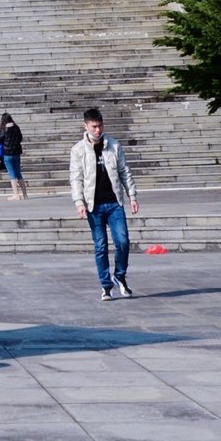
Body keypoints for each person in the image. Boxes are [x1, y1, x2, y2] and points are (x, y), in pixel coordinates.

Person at [70, 107, 139, 299]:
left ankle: (120, 276)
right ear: (85, 126)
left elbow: (124, 172)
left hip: (114, 203)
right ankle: (106, 285)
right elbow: (76, 178)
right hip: (94, 206)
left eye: (100, 126)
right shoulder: (78, 150)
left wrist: (132, 196)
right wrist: (79, 202)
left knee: (123, 242)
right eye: (94, 126)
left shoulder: (114, 146)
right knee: (100, 246)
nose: (97, 130)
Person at [0, 111, 27, 200]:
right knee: (18, 173)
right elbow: (20, 138)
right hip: (16, 153)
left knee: (12, 174)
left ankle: (16, 194)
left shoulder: (3, 129)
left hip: (7, 153)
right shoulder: (16, 127)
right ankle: (25, 194)